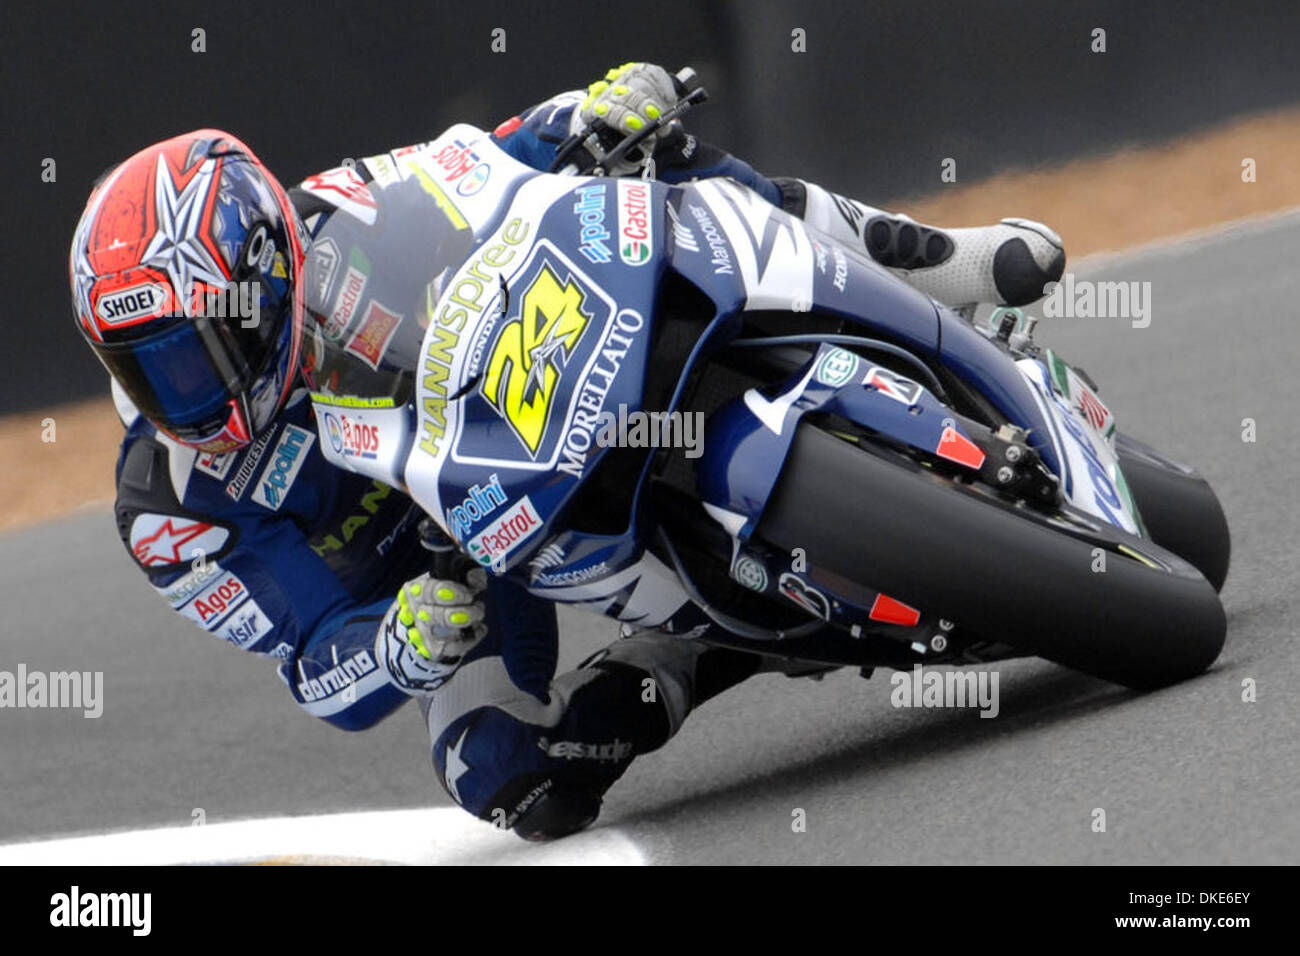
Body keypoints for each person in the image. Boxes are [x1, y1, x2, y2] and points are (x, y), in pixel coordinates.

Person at [69, 62, 1065, 841]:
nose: (180, 398)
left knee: (656, 153)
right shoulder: (169, 506)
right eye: (145, 367)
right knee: (506, 777)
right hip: (444, 573)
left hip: (517, 391)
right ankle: (707, 642)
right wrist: (392, 644)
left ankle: (944, 263)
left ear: (266, 272)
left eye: (197, 356)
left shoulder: (340, 210)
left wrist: (590, 111)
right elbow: (312, 660)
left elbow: (489, 162)